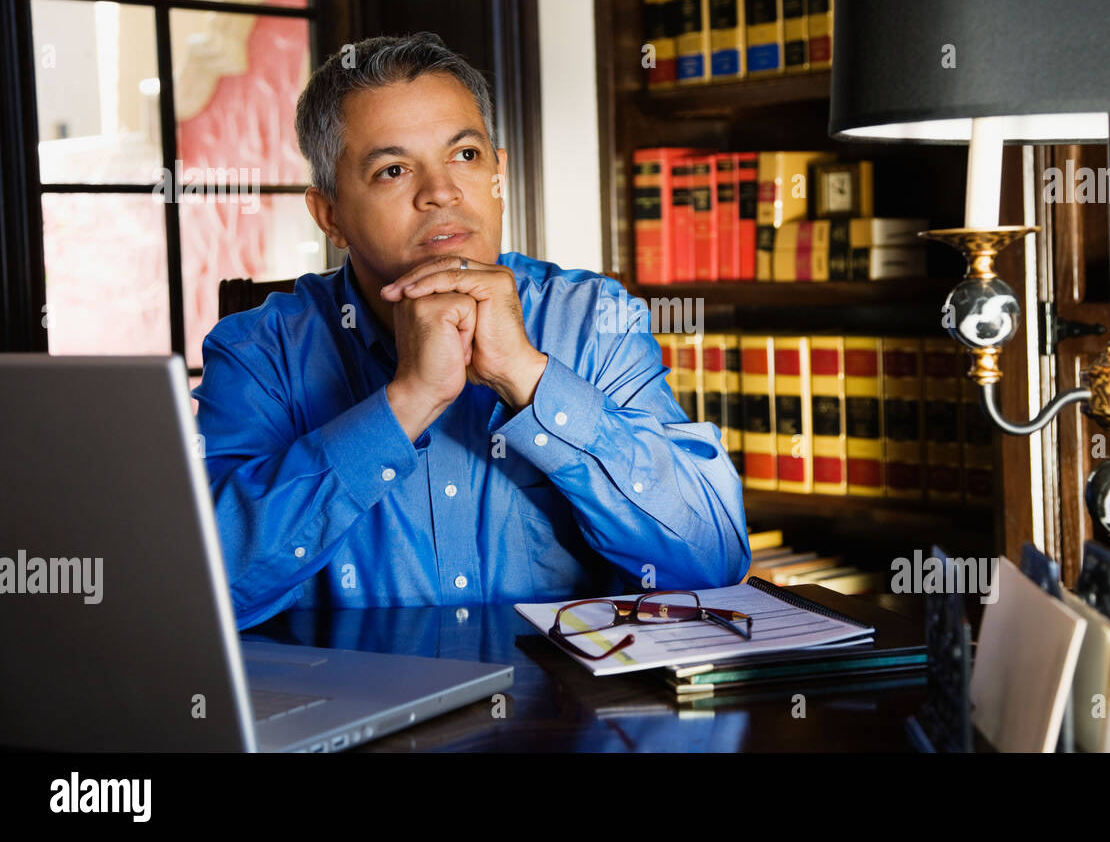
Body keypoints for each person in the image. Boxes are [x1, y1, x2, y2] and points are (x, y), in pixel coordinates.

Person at [193, 32, 749, 629]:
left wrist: (531, 379)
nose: (442, 192)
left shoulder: (593, 320)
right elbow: (206, 591)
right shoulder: (258, 352)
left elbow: (711, 561)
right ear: (330, 216)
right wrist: (406, 403)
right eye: (393, 169)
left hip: (562, 712)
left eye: (465, 155)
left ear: (498, 175)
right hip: (360, 708)